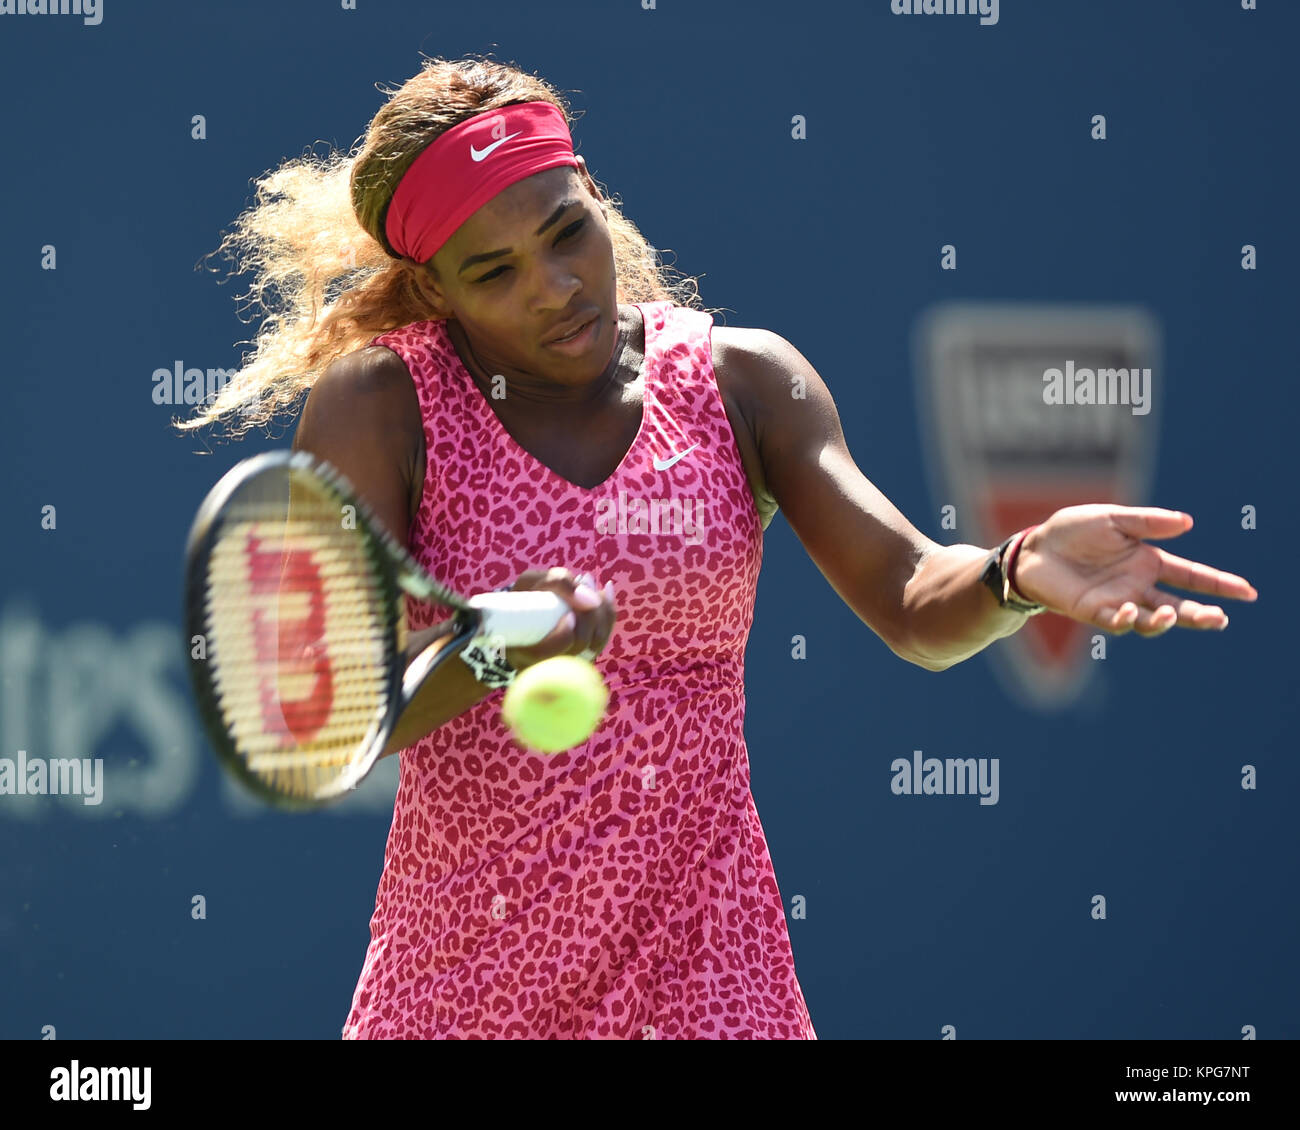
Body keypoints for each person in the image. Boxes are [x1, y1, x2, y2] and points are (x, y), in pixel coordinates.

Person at [181, 56, 1257, 1040]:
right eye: (493, 270)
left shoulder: (745, 382)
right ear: (437, 292)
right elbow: (319, 728)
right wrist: (501, 643)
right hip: (459, 988)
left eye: (565, 231)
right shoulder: (383, 401)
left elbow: (911, 597)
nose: (554, 287)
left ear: (594, 192)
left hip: (711, 978)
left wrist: (1013, 569)